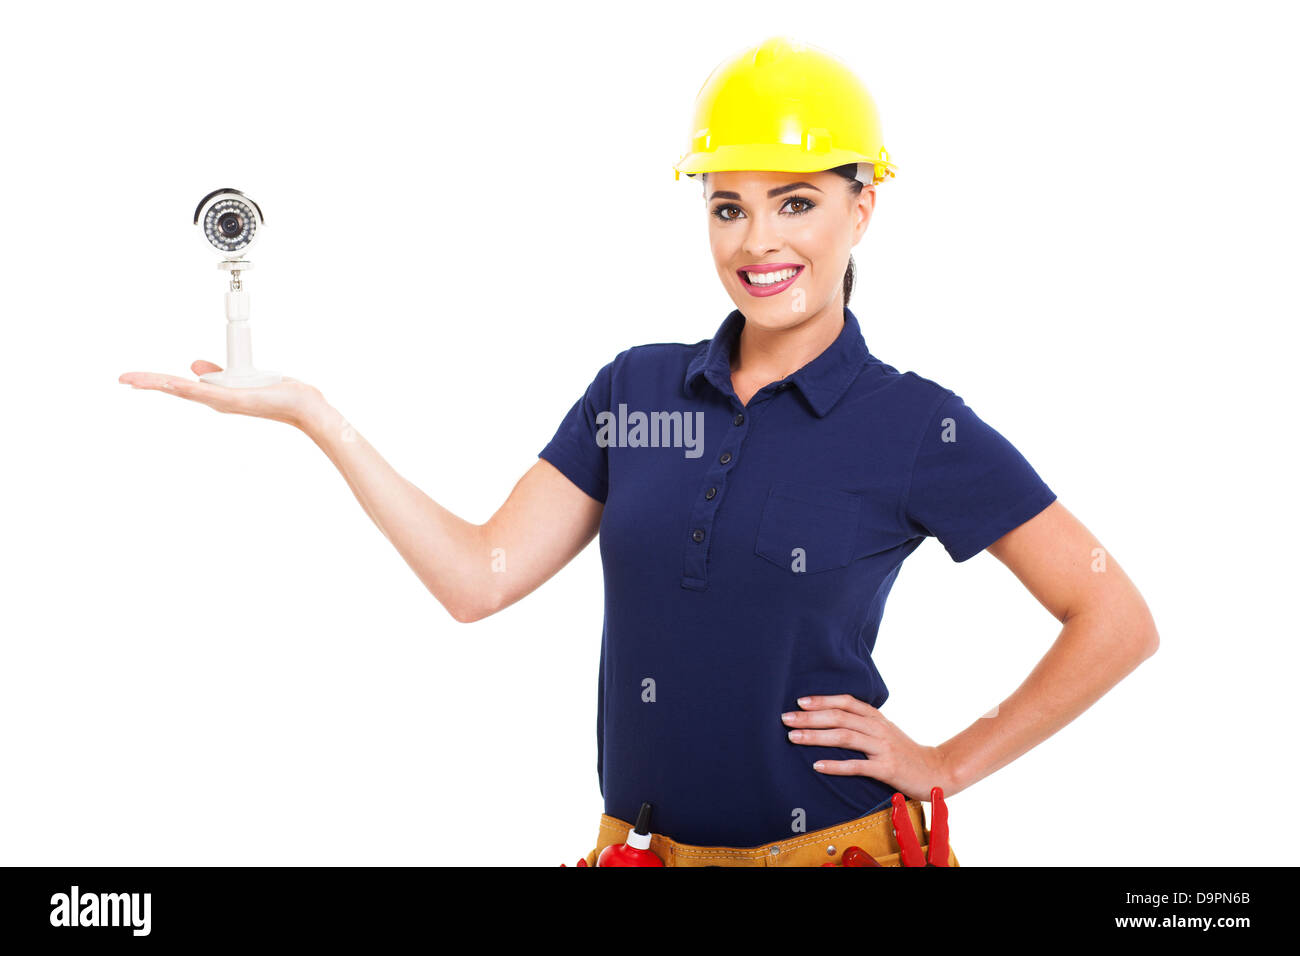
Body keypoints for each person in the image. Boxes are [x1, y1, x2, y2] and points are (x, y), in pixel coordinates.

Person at [120, 36, 1159, 867]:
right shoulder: (637, 391)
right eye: (727, 206)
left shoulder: (914, 425)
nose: (759, 241)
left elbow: (1113, 616)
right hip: (642, 854)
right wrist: (318, 415)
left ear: (862, 204)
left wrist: (946, 761)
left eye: (795, 201)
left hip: (834, 850)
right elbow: (477, 579)